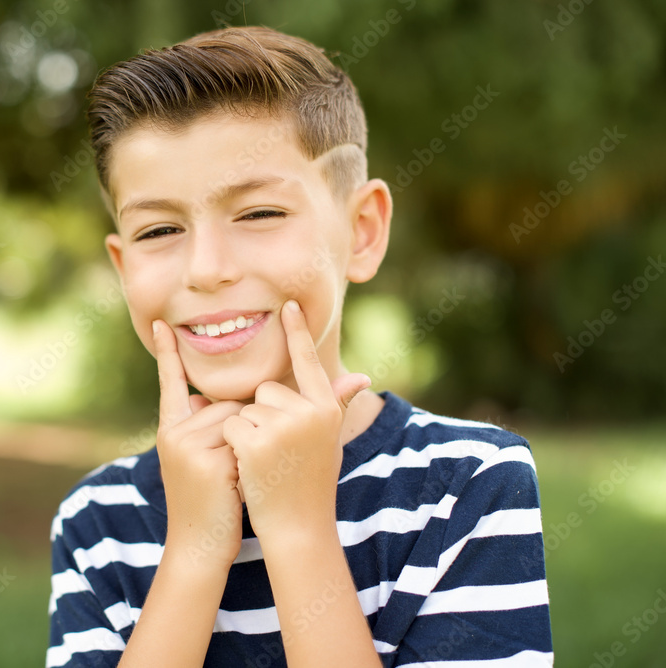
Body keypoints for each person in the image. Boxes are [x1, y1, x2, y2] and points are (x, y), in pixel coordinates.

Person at [46, 25, 553, 667]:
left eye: (259, 214)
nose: (206, 268)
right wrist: (195, 550)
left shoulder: (471, 485)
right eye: (160, 229)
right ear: (123, 270)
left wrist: (298, 530)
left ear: (362, 231)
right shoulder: (99, 521)